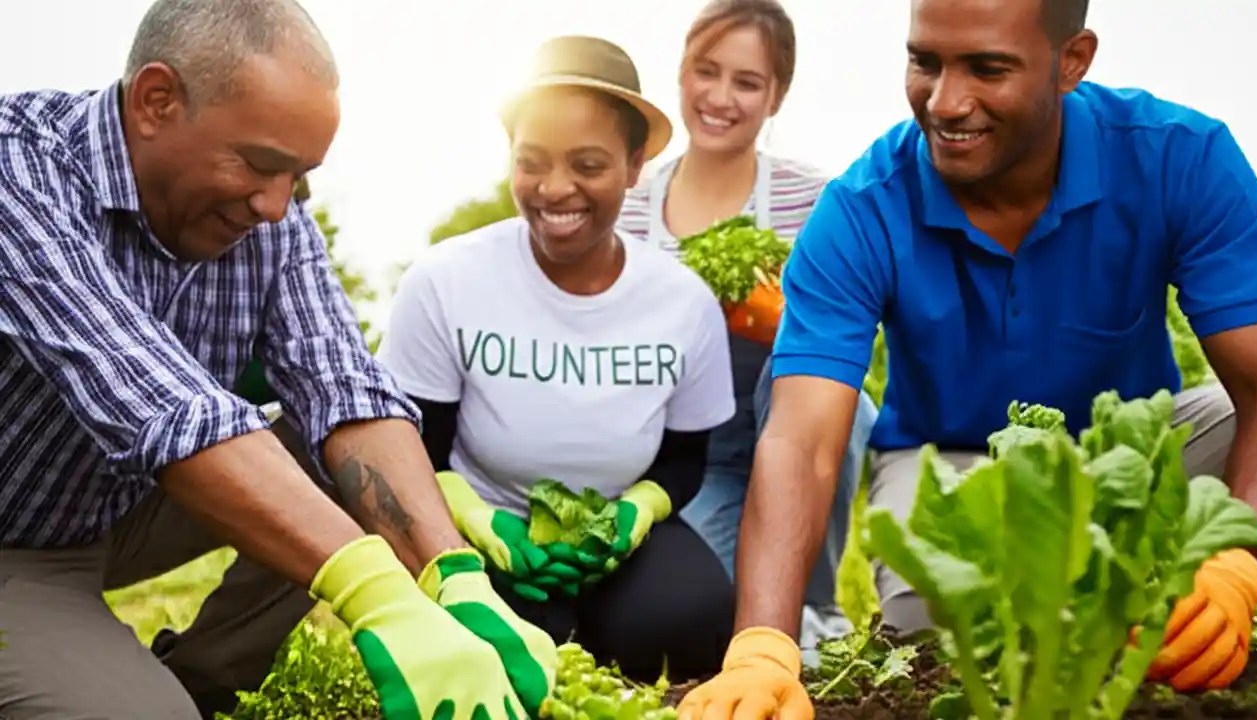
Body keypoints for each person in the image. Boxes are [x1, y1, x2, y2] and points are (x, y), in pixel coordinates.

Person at [677, 0, 1257, 716]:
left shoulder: (1178, 157)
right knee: (937, 636)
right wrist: (762, 645)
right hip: (948, 464)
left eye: (988, 69)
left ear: (1073, 61)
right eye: (925, 61)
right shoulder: (865, 205)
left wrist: (1238, 560)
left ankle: (1163, 602)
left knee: (1237, 422)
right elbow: (802, 437)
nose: (945, 101)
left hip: (1132, 457)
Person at [0, 1, 558, 719]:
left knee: (325, 448)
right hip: (15, 541)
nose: (275, 207)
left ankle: (201, 682)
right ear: (156, 101)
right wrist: (376, 593)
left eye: (298, 177)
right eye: (260, 164)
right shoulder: (20, 166)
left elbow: (346, 387)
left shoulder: (273, 218)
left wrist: (454, 577)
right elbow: (157, 402)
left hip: (104, 514)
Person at [375, 35, 739, 684]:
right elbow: (417, 449)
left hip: (613, 540)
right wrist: (483, 524)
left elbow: (685, 460)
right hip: (485, 532)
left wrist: (633, 516)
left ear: (635, 167)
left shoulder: (682, 302)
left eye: (589, 165)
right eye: (532, 162)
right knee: (502, 646)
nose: (555, 188)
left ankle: (603, 622)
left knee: (695, 617)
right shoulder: (445, 281)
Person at [615, 0, 878, 655]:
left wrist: (767, 314)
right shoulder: (629, 204)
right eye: (707, 72)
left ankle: (816, 606)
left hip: (787, 422)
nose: (721, 98)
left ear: (776, 97)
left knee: (830, 388)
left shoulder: (816, 201)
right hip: (690, 455)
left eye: (747, 82)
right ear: (681, 74)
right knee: (711, 607)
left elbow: (846, 329)